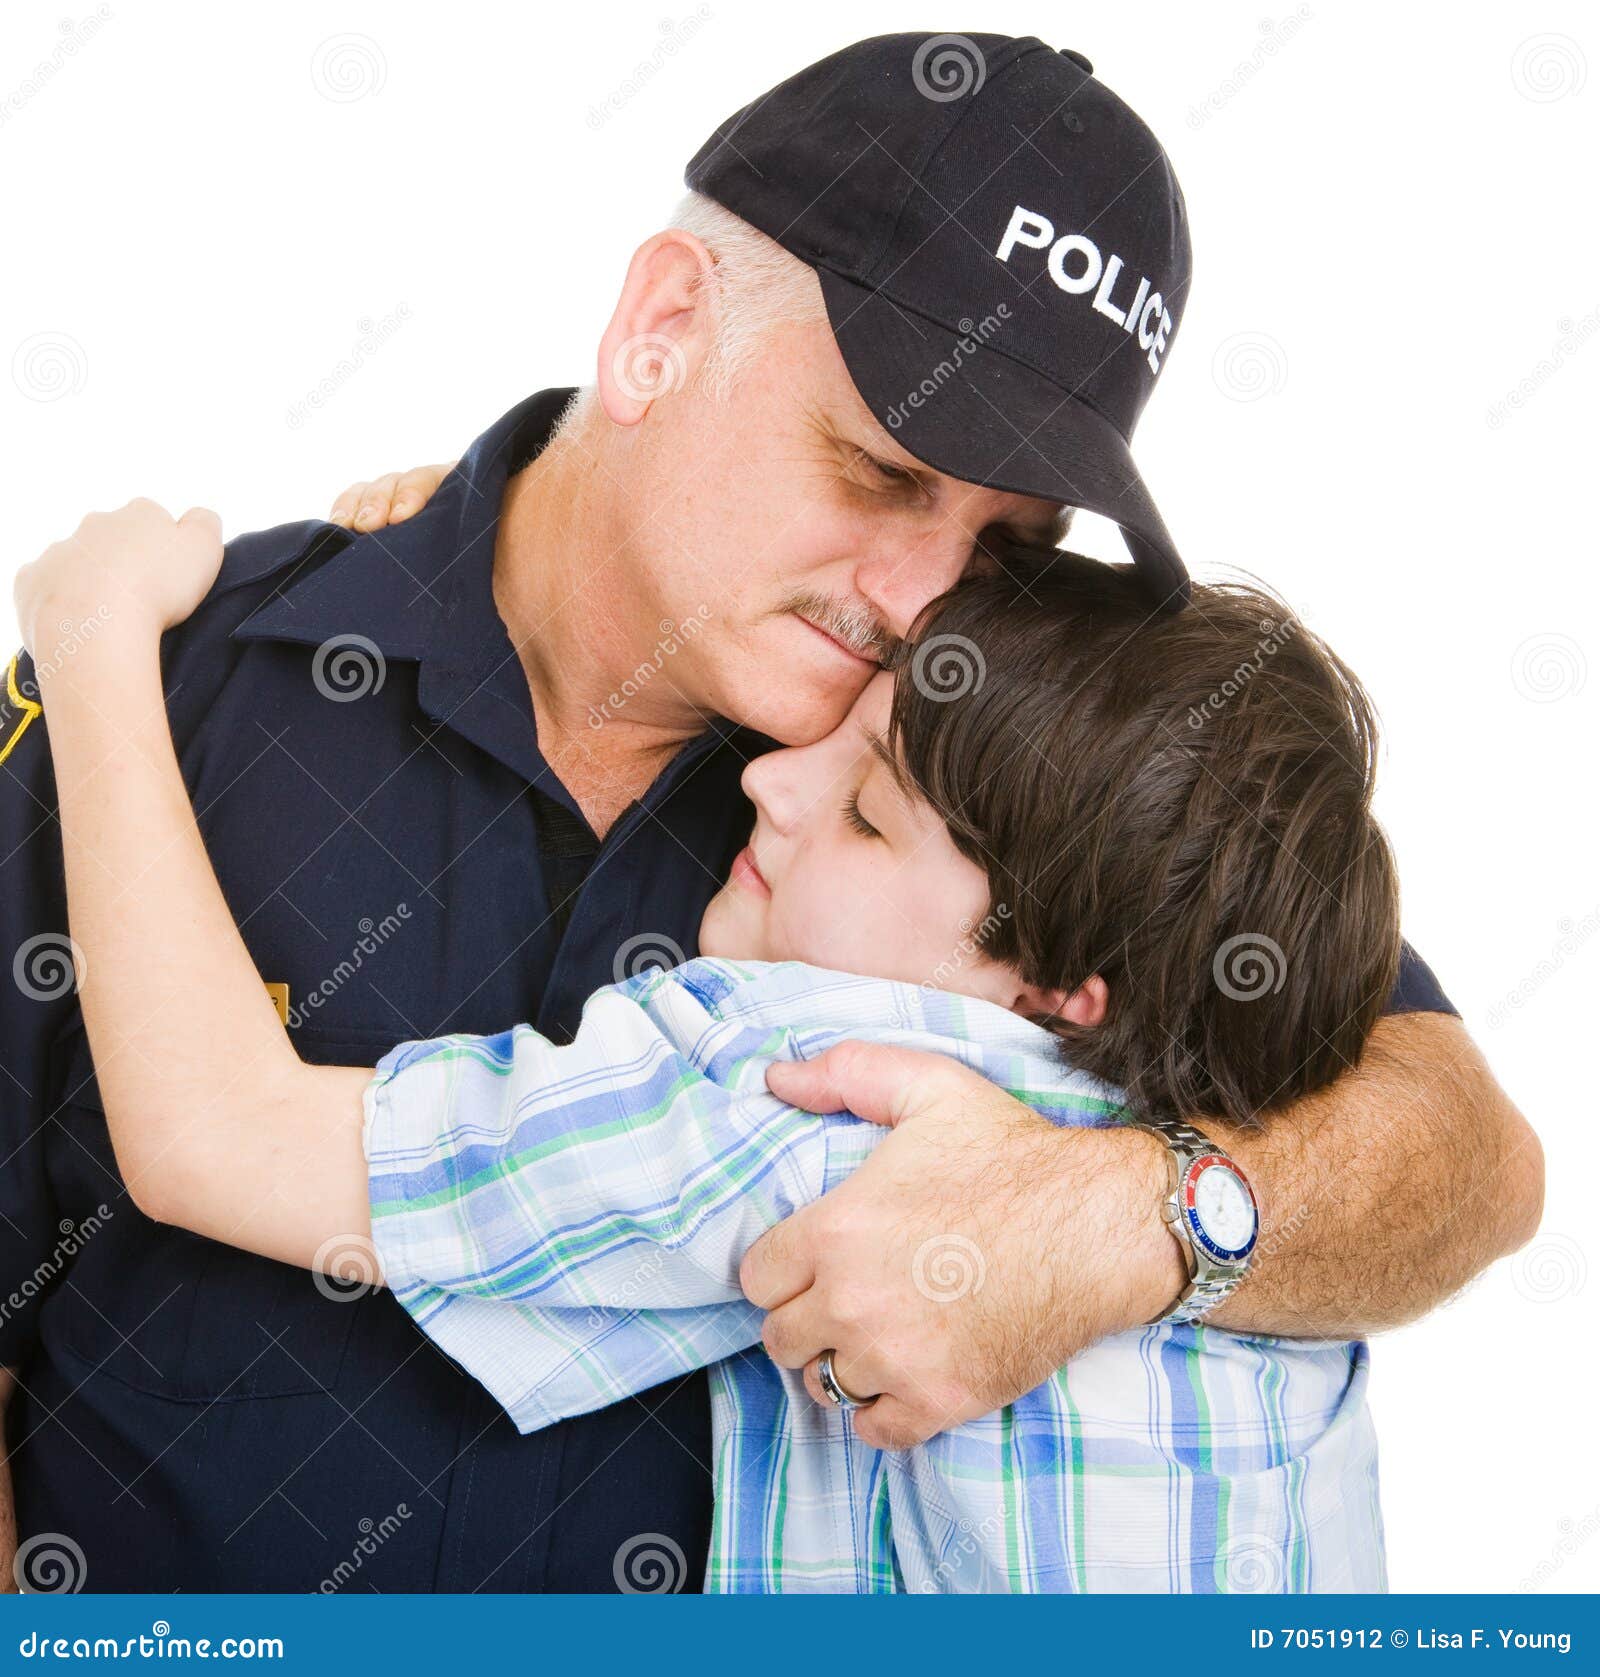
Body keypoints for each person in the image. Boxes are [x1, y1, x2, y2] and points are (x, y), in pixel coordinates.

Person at [0, 33, 1538, 1593]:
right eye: (880, 471)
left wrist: (1113, 1223)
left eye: (1008, 536)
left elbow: (1469, 1151)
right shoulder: (187, 691)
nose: (925, 600)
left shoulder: (1019, 758)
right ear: (663, 329)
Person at [20, 498, 1402, 1592]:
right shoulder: (1236, 1087)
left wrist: (90, 641)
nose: (772, 777)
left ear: (1059, 988)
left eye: (867, 812)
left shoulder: (813, 1091)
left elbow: (212, 1135)